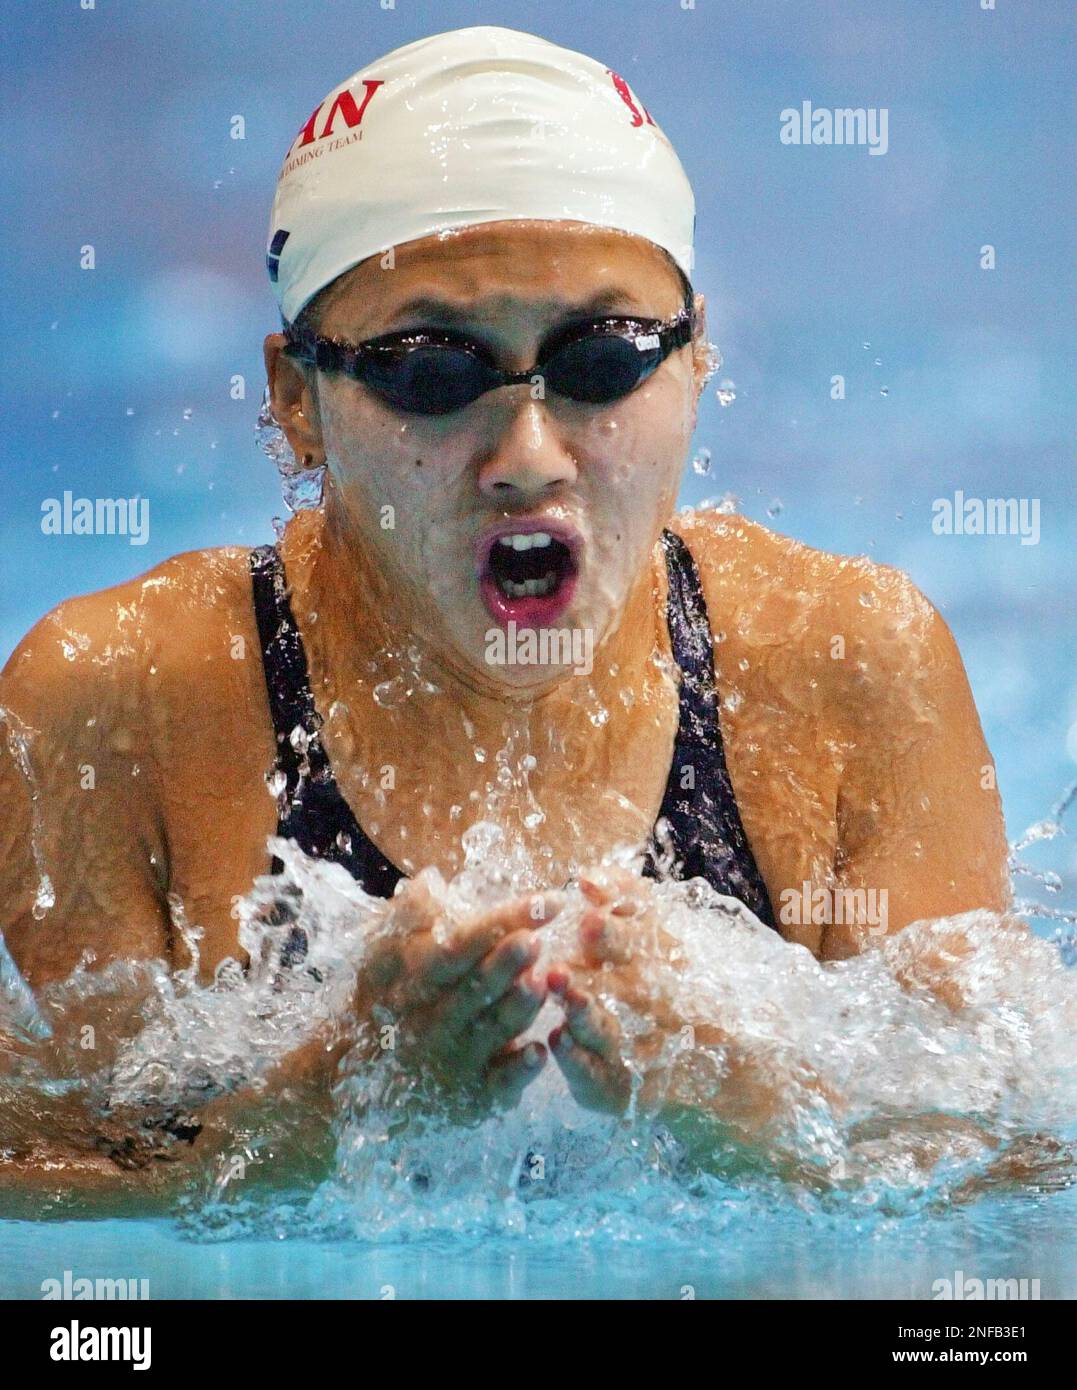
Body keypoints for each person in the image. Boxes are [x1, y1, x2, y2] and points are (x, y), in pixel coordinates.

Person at [0, 27, 1011, 1186]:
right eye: (432, 369)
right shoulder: (113, 705)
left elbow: (1002, 1187)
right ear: (295, 401)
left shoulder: (851, 667)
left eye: (604, 358)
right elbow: (45, 1195)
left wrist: (746, 1108)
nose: (529, 455)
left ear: (696, 359)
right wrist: (321, 1111)